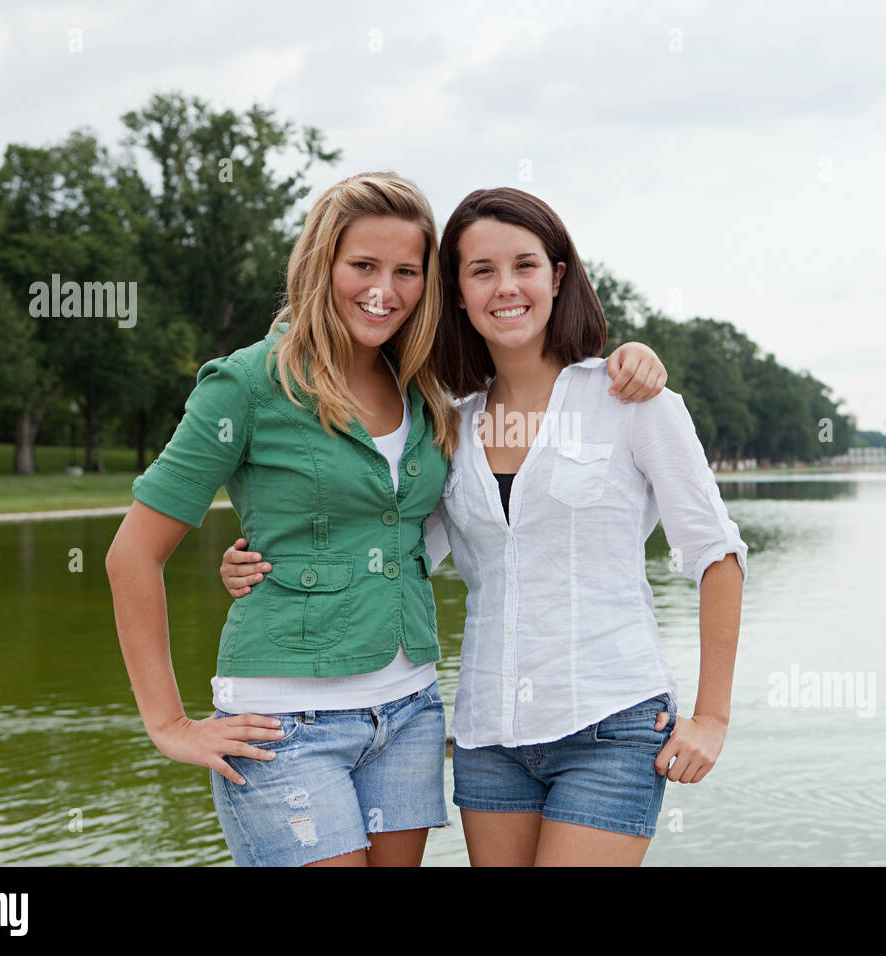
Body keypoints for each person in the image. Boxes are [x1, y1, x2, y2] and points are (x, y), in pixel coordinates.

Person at [107, 170, 666, 867]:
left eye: (406, 271)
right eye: (363, 265)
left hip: (408, 713)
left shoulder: (425, 387)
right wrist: (167, 724)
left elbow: (427, 527)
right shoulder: (247, 384)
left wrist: (631, 358)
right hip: (284, 722)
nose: (385, 289)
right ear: (322, 265)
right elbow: (132, 555)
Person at [222, 185, 747, 866]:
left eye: (525, 265)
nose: (507, 287)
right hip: (488, 740)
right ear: (459, 294)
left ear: (558, 277)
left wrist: (711, 718)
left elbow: (716, 555)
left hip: (611, 727)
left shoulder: (632, 402)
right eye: (482, 271)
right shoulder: (450, 425)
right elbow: (396, 547)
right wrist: (263, 565)